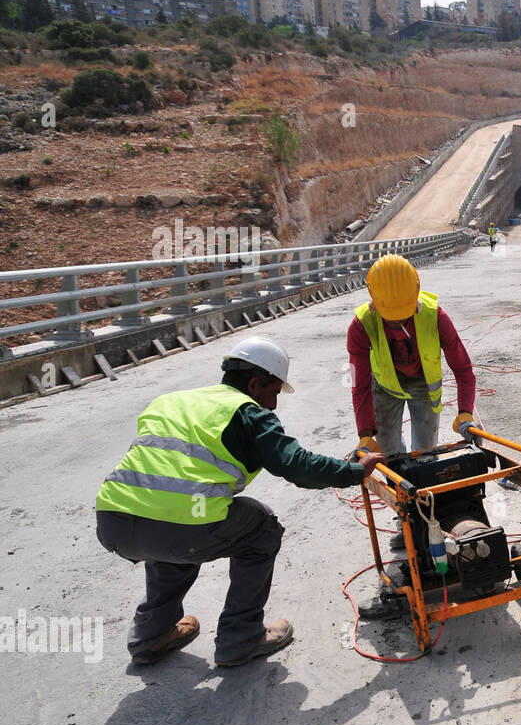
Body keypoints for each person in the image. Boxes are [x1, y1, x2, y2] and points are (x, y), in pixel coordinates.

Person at [95, 336, 387, 666]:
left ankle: (151, 636)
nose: (274, 404)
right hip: (179, 525)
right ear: (254, 383)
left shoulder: (171, 401)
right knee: (261, 526)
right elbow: (296, 466)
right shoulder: (249, 414)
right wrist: (353, 471)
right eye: (274, 392)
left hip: (113, 522)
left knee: (178, 528)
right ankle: (241, 638)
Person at [347, 253, 477, 462]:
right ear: (374, 300)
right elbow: (359, 384)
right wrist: (365, 434)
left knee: (426, 453)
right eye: (390, 320)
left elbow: (463, 369)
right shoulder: (361, 325)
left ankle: (424, 491)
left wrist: (465, 413)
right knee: (389, 456)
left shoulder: (435, 316)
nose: (398, 323)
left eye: (404, 316)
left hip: (423, 383)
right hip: (384, 386)